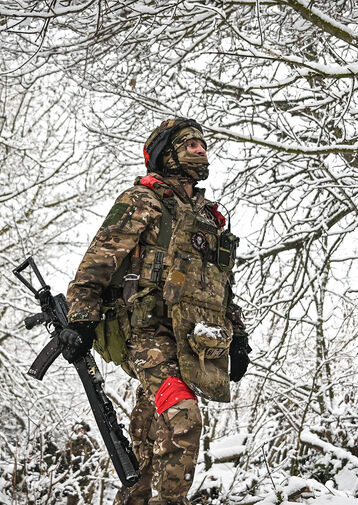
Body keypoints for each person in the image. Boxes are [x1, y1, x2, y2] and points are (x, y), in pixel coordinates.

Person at [62, 118, 252, 505]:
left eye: (203, 144)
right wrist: (81, 320)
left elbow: (220, 286)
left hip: (194, 342)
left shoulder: (208, 219)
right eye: (190, 145)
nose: (201, 150)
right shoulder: (143, 201)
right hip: (147, 337)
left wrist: (239, 335)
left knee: (151, 447)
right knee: (184, 419)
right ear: (167, 155)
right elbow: (95, 266)